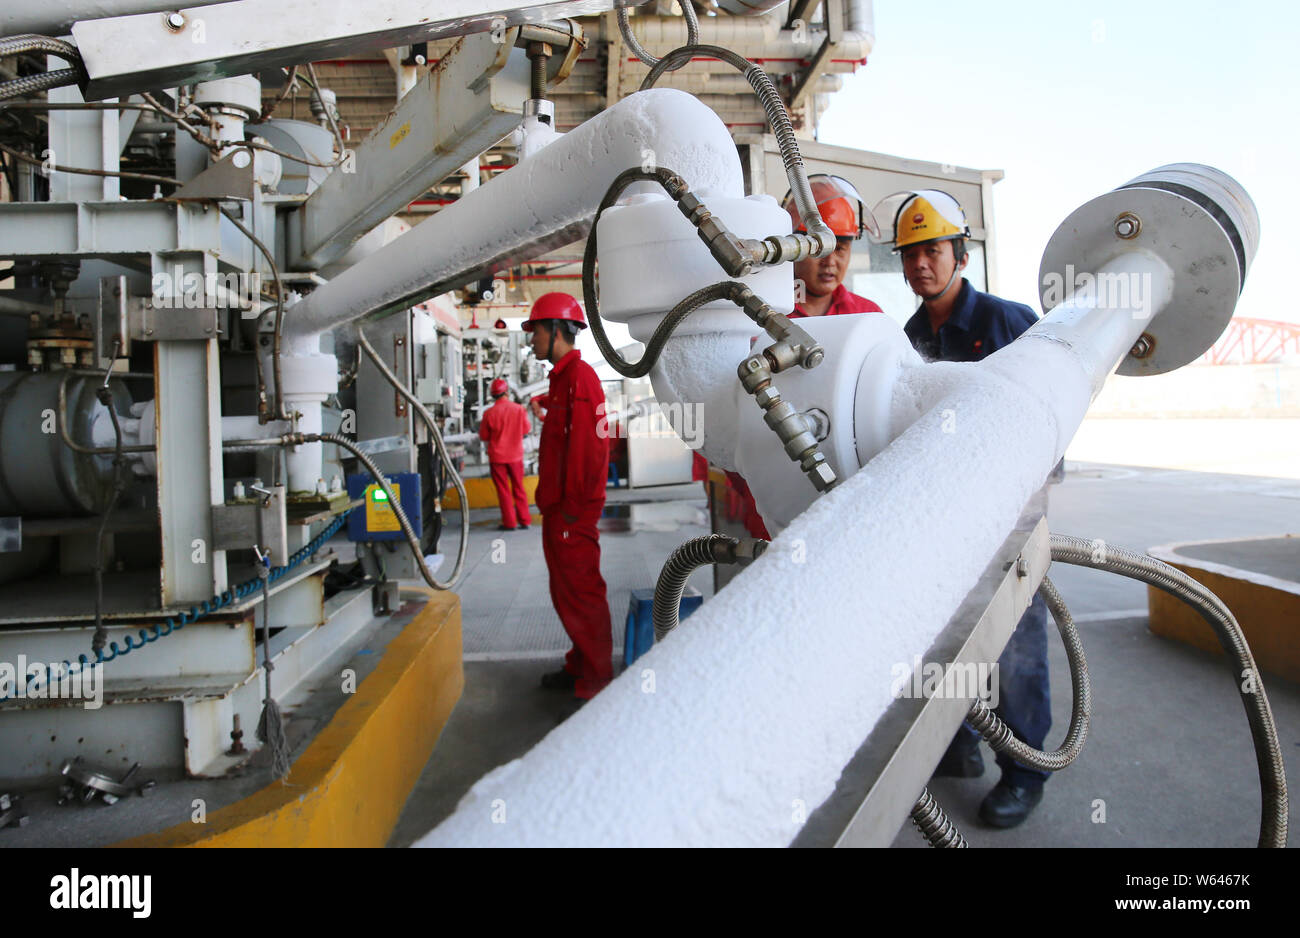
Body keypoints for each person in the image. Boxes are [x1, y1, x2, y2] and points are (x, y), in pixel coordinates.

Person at [889, 188, 1051, 829]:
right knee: (944, 643)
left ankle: (1026, 771)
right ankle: (960, 746)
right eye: (910, 253)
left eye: (932, 249)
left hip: (1007, 522)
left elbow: (1051, 419)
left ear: (959, 252)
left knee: (1016, 650)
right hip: (939, 525)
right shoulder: (902, 340)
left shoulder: (1010, 324)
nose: (921, 263)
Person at [523, 293, 613, 710]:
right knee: (566, 591)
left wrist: (574, 510)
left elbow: (589, 451)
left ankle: (596, 678)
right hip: (559, 508)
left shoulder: (580, 379)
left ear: (558, 331)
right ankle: (580, 662)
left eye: (537, 331)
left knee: (581, 592)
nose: (532, 340)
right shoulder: (562, 379)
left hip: (571, 511)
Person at [780, 174, 885, 319]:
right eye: (818, 248)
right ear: (793, 248)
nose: (829, 262)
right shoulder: (766, 311)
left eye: (840, 248)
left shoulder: (868, 315)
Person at [478, 377, 532, 531]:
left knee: (503, 490)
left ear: (493, 395)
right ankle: (525, 520)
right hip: (515, 456)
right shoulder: (519, 409)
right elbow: (526, 430)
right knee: (519, 488)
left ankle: (509, 523)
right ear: (506, 392)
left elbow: (484, 436)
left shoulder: (489, 413)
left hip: (497, 457)